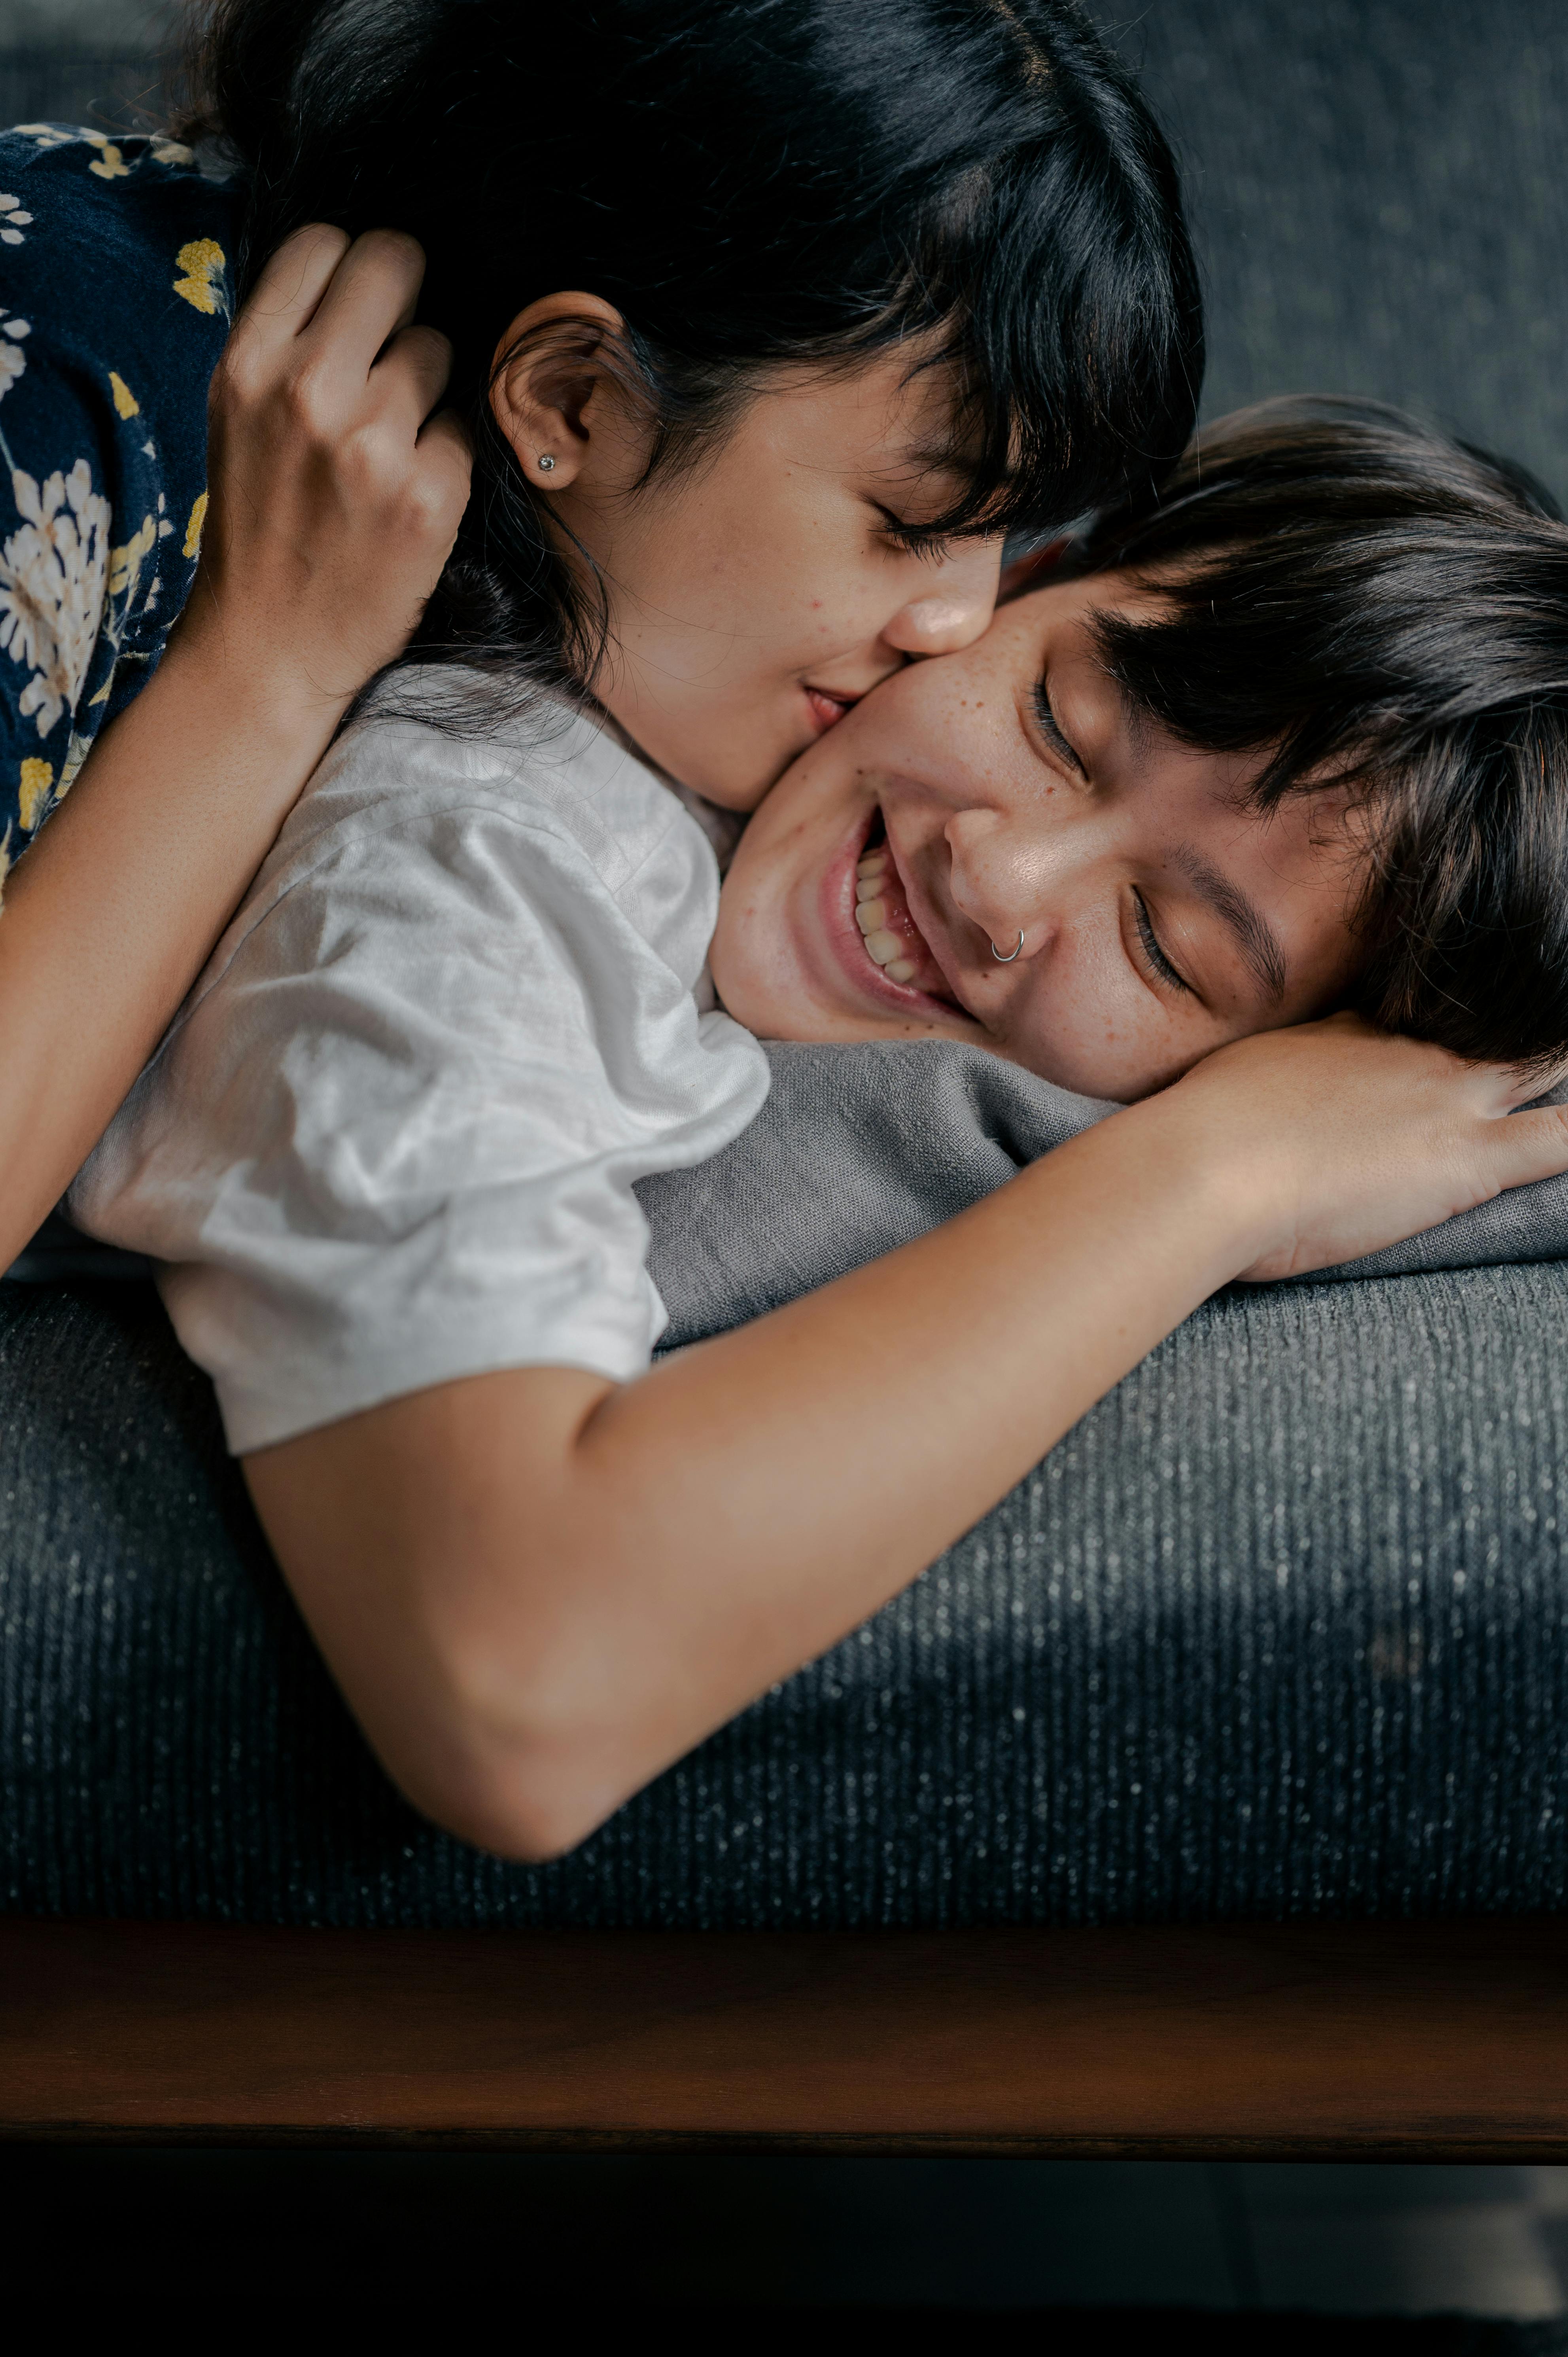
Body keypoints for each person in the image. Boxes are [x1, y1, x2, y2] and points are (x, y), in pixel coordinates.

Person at [70, 399, 1568, 1862]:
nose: (1001, 881)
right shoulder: (492, 846)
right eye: (1058, 719)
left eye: (1170, 948)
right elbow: (515, 1686)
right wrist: (1220, 1173)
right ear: (1019, 574)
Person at [0, 0, 1201, 1270]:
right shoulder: (61, 391)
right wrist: (260, 670)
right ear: (573, 394)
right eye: (908, 521)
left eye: (1004, 539)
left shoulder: (587, 607)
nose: (961, 619)